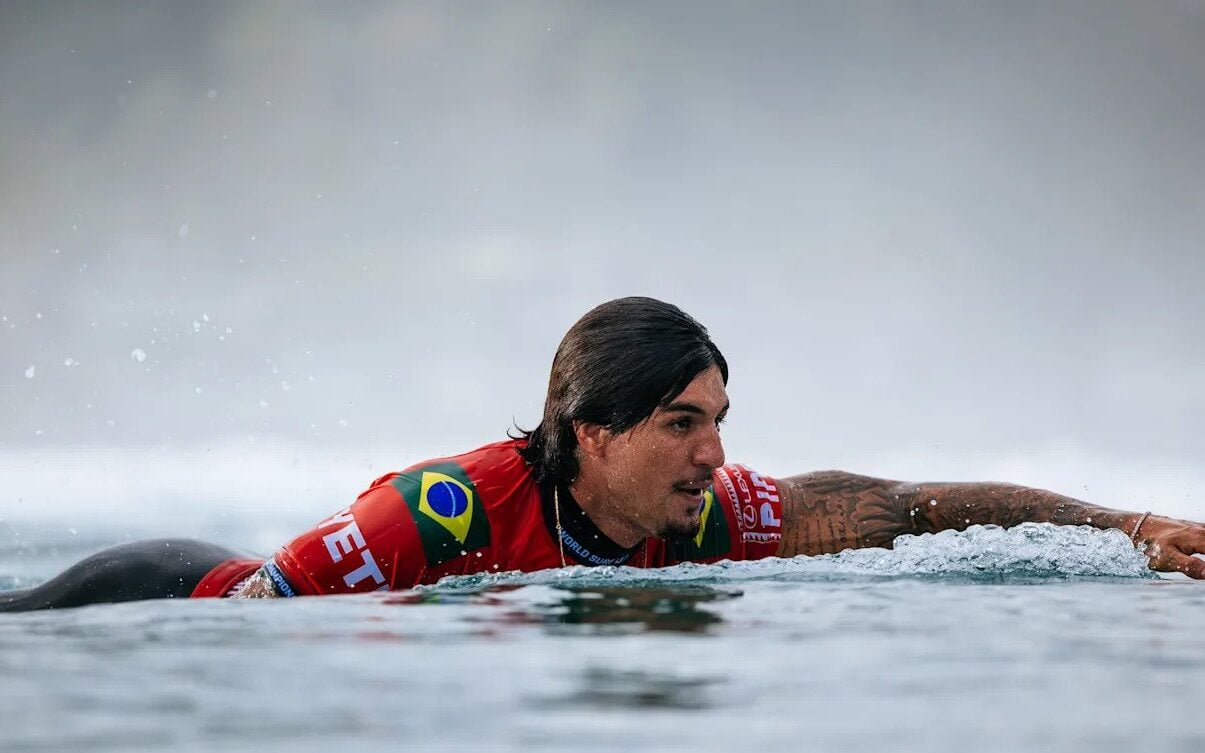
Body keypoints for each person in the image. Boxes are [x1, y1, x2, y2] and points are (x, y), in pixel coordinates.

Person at [3, 298, 1204, 612]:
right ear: (593, 432)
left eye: (719, 419)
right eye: (682, 423)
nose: (712, 452)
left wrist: (1135, 528)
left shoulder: (716, 512)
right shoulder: (434, 514)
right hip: (168, 587)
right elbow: (256, 632)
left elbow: (913, 508)